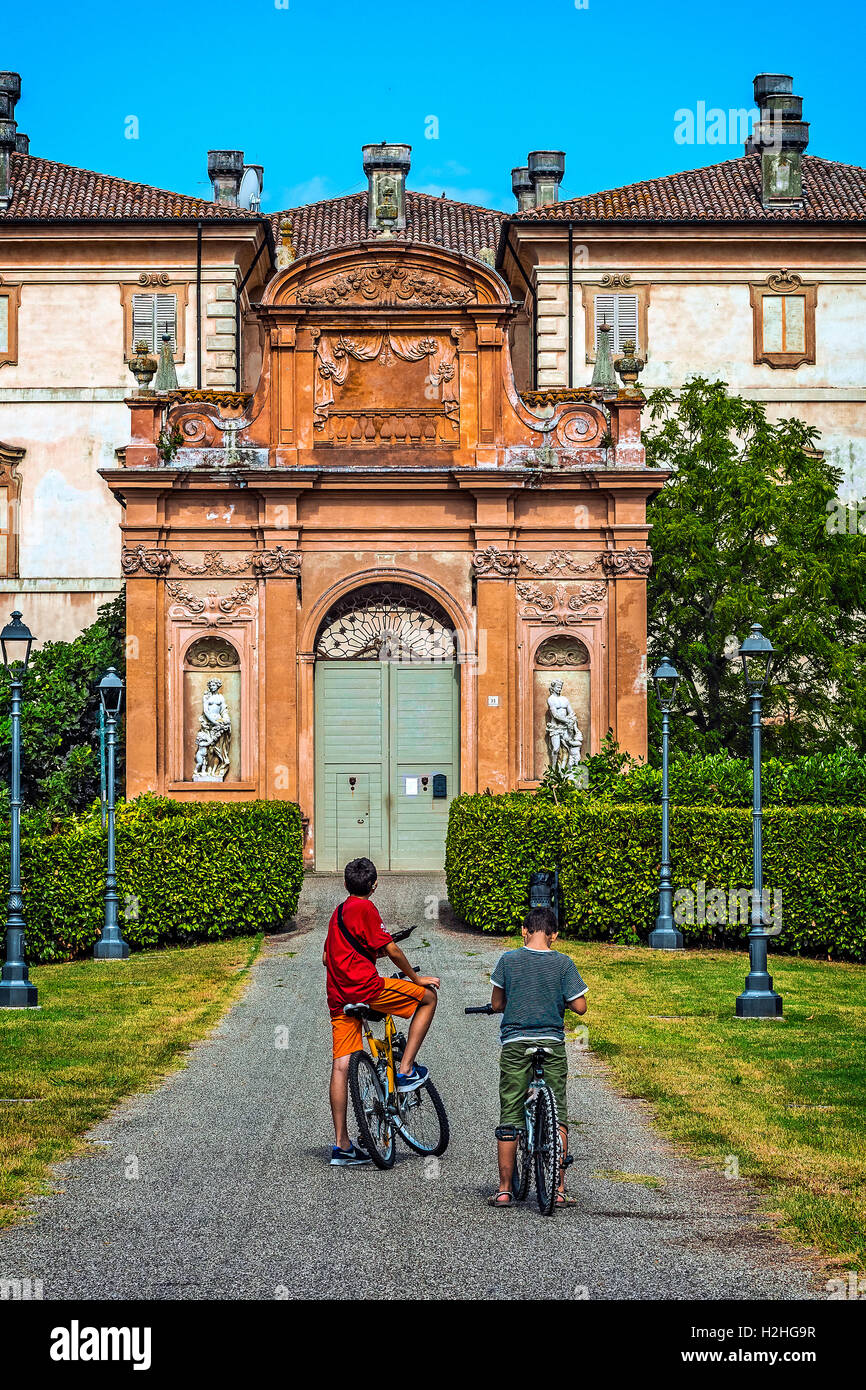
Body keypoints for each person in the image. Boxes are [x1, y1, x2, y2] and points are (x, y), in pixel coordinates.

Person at [323, 856, 441, 1167]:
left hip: (338, 997)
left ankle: (342, 1146)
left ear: (347, 884)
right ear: (375, 885)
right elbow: (391, 948)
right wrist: (417, 978)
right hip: (367, 989)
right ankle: (405, 1069)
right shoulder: (366, 908)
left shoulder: (338, 914)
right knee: (428, 998)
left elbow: (326, 957)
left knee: (341, 1066)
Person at [487, 906, 588, 1207]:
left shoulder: (508, 960)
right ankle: (557, 1190)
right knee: (558, 1111)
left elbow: (496, 1003)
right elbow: (580, 1006)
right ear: (554, 935)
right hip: (551, 1043)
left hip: (517, 1043)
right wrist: (561, 1001)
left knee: (510, 1111)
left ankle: (505, 1190)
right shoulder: (564, 964)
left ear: (524, 930)